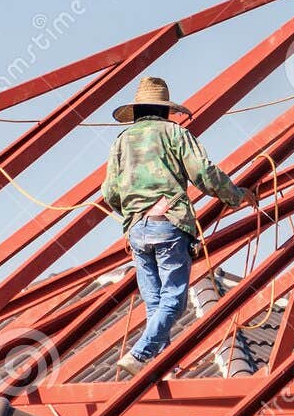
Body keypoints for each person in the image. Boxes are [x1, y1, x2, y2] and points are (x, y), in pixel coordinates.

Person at [102, 77, 256, 375]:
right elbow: (204, 174)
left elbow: (110, 191)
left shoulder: (121, 141)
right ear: (165, 111)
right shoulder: (175, 134)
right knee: (174, 300)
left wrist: (132, 215)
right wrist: (236, 196)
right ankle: (141, 353)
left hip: (137, 229)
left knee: (155, 302)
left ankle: (161, 364)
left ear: (137, 111)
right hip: (169, 223)